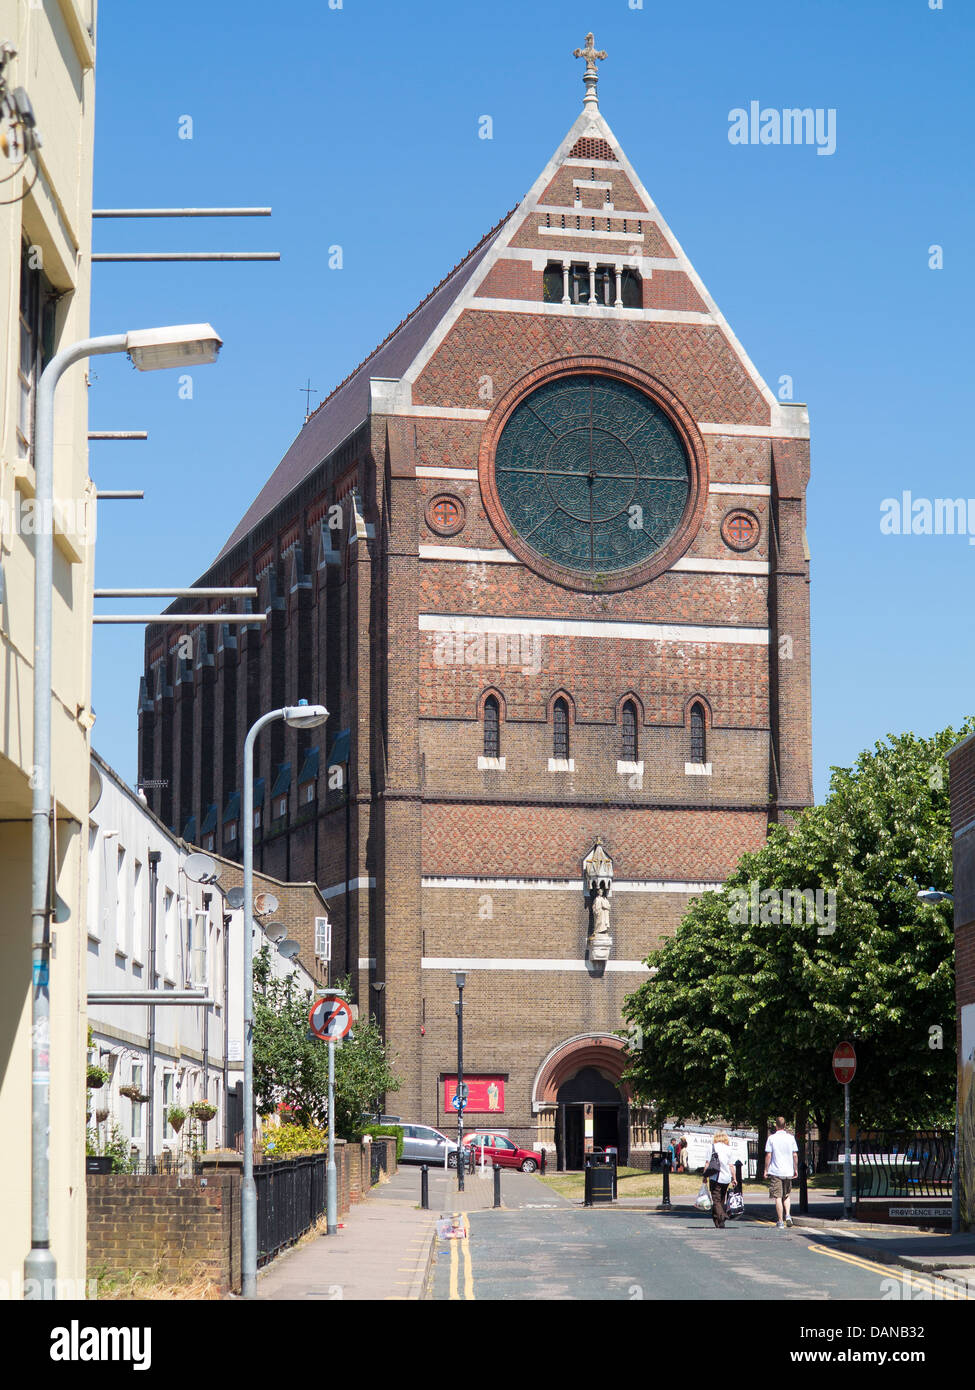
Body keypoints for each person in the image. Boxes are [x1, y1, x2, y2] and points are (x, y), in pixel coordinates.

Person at [764, 1115, 799, 1229]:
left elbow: (769, 1155)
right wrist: (795, 1169)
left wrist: (765, 1170)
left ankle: (780, 1221)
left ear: (776, 1125)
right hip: (788, 1170)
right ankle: (788, 1215)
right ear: (785, 1125)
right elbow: (795, 1155)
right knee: (787, 1195)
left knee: (778, 1196)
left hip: (776, 1171)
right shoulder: (791, 1138)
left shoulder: (771, 1138)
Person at [708, 1131, 737, 1228]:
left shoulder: (712, 1147)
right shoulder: (729, 1149)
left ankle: (722, 1215)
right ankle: (719, 1222)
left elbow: (708, 1163)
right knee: (721, 1200)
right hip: (726, 1178)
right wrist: (734, 1178)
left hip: (715, 1177)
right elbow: (731, 1166)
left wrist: (704, 1177)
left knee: (716, 1200)